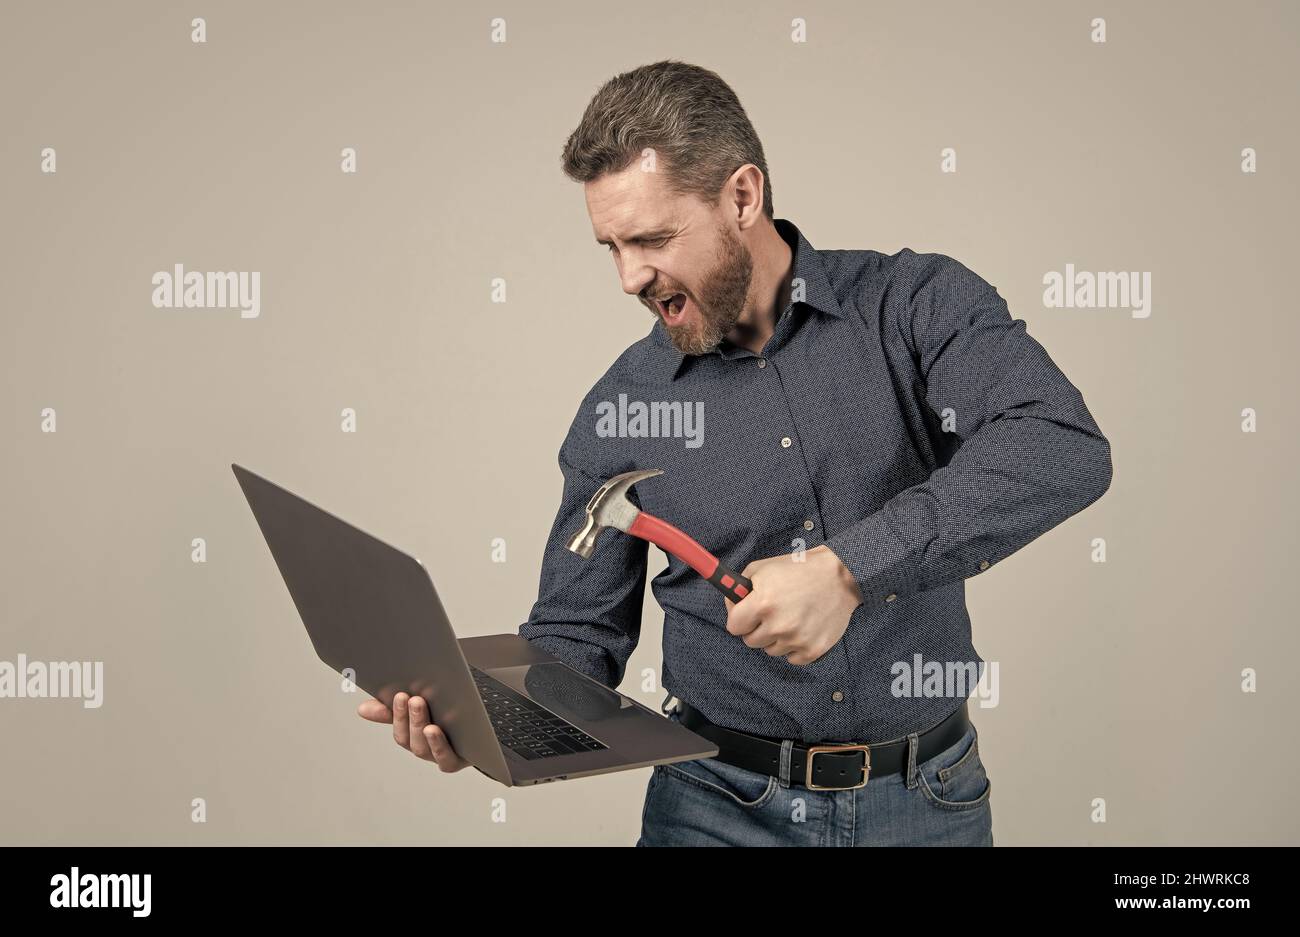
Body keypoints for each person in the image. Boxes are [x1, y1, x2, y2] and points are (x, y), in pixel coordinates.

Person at [359, 60, 1112, 846]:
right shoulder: (620, 410)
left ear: (742, 197)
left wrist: (848, 568)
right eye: (611, 247)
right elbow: (578, 636)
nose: (629, 277)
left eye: (651, 239)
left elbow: (1058, 442)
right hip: (713, 812)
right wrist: (486, 720)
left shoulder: (915, 305)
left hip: (926, 804)